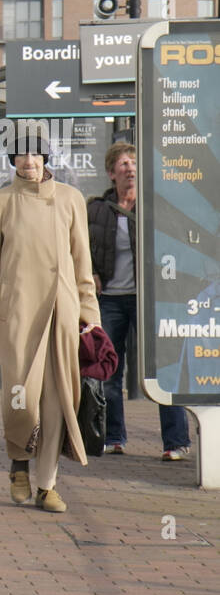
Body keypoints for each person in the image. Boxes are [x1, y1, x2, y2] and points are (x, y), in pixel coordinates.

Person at [0, 123, 100, 514]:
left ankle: (47, 485)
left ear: (46, 158)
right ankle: (18, 462)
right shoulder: (0, 203)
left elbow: (82, 262)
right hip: (18, 313)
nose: (29, 162)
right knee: (22, 399)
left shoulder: (71, 199)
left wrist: (90, 315)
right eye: (21, 155)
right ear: (13, 161)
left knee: (58, 401)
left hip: (62, 312)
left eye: (36, 154)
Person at [87, 141, 192, 461]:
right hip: (111, 301)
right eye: (123, 164)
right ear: (111, 173)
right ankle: (113, 436)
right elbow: (80, 249)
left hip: (151, 302)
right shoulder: (96, 210)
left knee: (164, 368)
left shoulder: (157, 207)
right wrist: (91, 273)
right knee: (109, 369)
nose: (130, 169)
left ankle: (175, 442)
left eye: (134, 163)